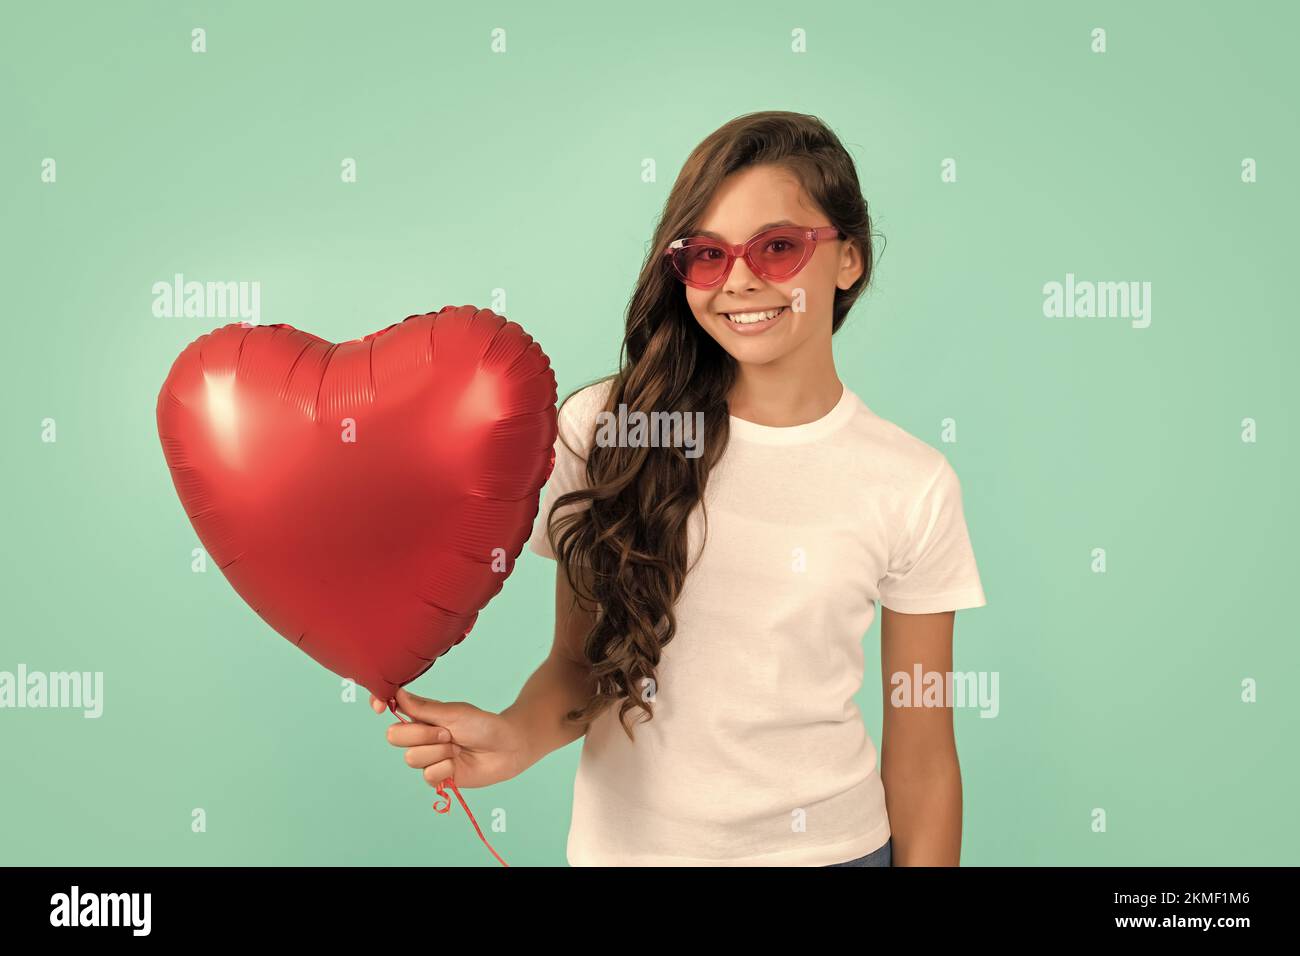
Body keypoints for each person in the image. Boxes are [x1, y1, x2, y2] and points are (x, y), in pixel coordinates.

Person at [372, 110, 987, 866]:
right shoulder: (610, 431)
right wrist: (512, 738)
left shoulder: (912, 482)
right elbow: (580, 667)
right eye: (706, 255)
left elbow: (923, 753)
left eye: (780, 248)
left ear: (850, 258)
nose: (739, 281)